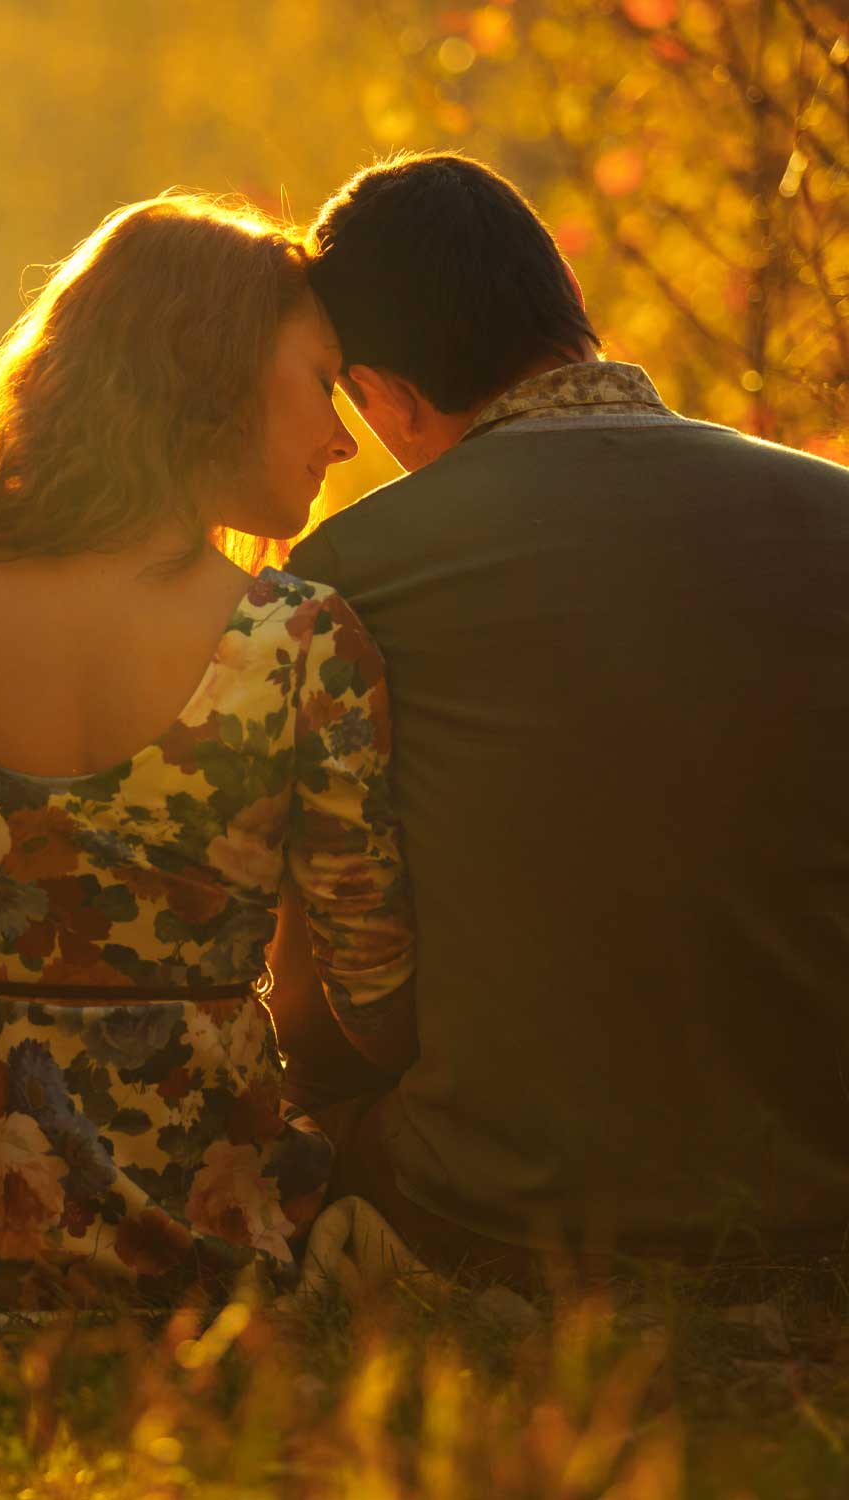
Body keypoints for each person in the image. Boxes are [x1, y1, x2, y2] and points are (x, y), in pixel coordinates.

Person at [277, 150, 849, 1279]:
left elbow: (314, 1012)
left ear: (385, 392)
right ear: (566, 313)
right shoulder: (831, 517)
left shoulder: (352, 572)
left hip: (497, 1210)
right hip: (821, 1201)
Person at [0, 193, 415, 1316]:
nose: (341, 434)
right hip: (204, 1254)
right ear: (205, 371)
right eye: (319, 381)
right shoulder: (298, 639)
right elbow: (377, 1006)